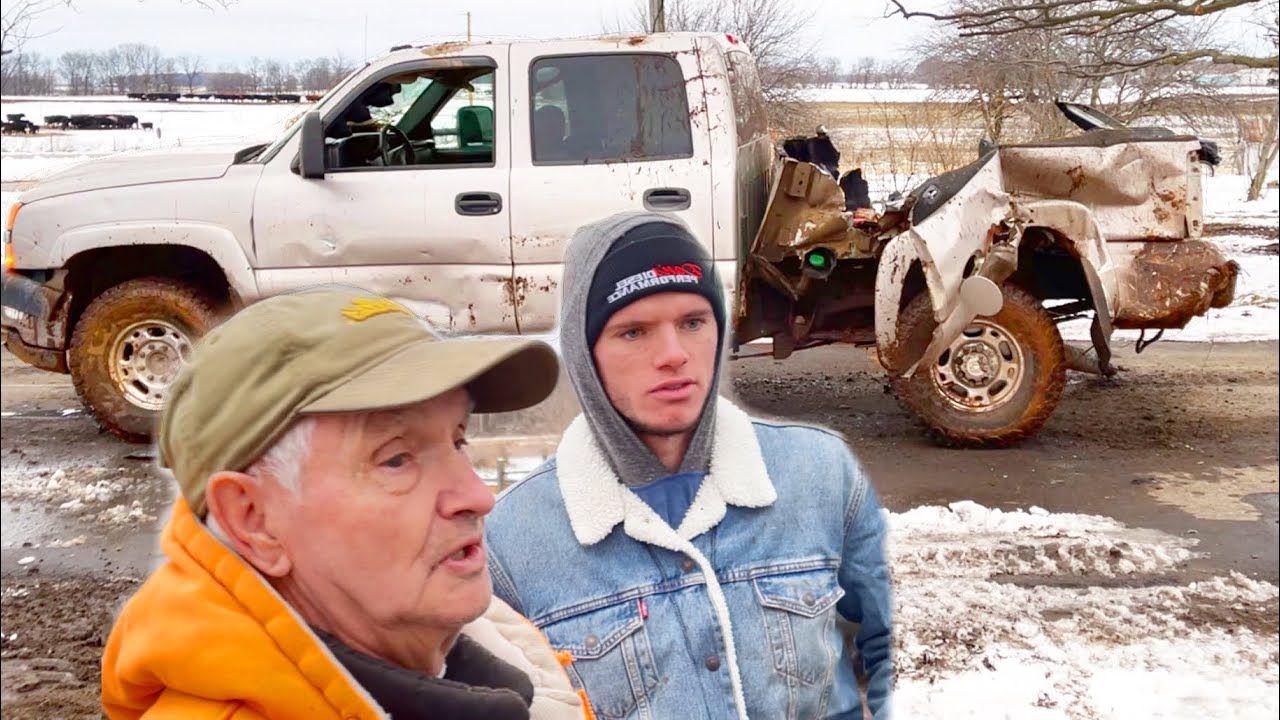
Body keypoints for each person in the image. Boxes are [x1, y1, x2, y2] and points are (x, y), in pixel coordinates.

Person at [100, 286, 594, 720]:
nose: (478, 496)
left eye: (458, 440)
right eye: (397, 459)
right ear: (255, 520)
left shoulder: (499, 650)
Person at [485, 213, 894, 719]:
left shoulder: (820, 475)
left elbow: (876, 655)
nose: (674, 355)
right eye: (634, 332)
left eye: (693, 323)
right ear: (585, 355)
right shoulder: (510, 543)